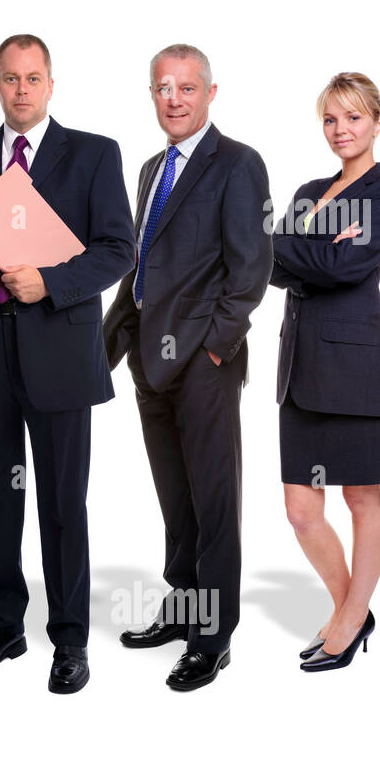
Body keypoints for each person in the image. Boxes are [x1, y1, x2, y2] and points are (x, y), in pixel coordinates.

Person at [0, 34, 134, 694]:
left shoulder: (93, 154)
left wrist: (50, 282)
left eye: (32, 78)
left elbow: (119, 250)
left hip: (57, 346)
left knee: (61, 503)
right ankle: (3, 626)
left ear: (50, 84)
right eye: (10, 79)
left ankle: (71, 640)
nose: (21, 90)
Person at [103, 44, 272, 691]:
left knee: (214, 499)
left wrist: (215, 348)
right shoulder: (150, 169)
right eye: (162, 88)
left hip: (204, 361)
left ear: (209, 93)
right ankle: (182, 606)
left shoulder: (237, 165)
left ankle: (213, 635)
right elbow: (140, 273)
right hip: (150, 362)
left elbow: (250, 268)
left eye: (186, 88)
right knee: (176, 499)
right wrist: (104, 353)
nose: (173, 99)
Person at [269, 72, 380, 673]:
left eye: (353, 118)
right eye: (330, 119)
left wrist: (309, 252)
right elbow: (273, 263)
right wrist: (315, 251)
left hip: (355, 366)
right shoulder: (309, 190)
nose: (341, 130)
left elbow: (347, 268)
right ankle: (352, 607)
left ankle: (350, 620)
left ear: (378, 121)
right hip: (301, 361)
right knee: (302, 508)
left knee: (360, 497)